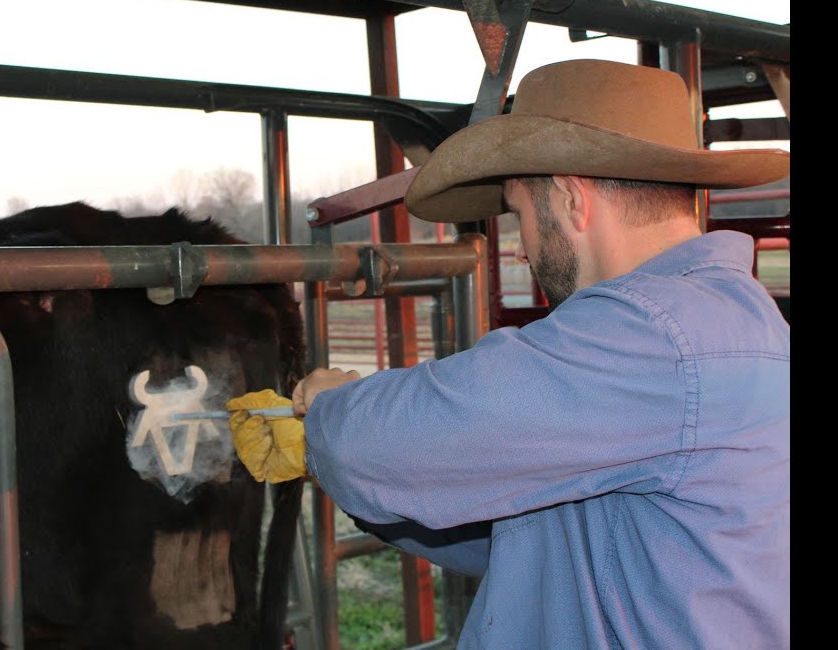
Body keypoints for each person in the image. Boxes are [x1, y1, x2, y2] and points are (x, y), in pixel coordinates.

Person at [288, 58, 790, 649]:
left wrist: (332, 411)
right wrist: (390, 493)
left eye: (520, 215)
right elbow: (526, 537)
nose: (521, 250)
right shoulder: (727, 322)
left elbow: (366, 446)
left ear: (570, 199)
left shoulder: (654, 334)